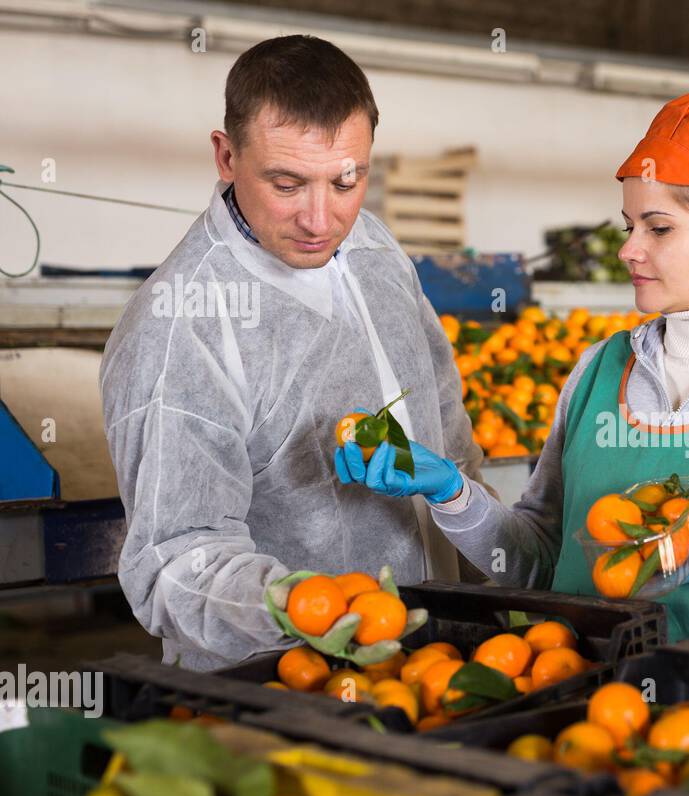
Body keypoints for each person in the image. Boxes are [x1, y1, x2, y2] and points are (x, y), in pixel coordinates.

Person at [340, 94, 689, 707]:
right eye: (628, 226)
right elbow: (538, 565)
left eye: (658, 228)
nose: (629, 249)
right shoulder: (599, 372)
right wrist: (451, 494)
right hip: (587, 723)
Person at [101, 35, 483, 671]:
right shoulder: (182, 327)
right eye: (287, 183)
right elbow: (176, 562)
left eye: (346, 180)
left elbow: (444, 419)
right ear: (226, 156)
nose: (321, 219)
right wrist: (301, 605)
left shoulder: (372, 246)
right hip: (285, 683)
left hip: (430, 657)